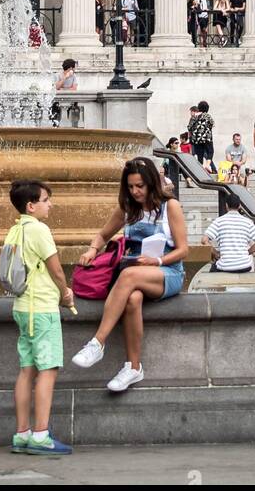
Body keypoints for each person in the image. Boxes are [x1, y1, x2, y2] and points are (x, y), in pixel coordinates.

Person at [71, 157, 189, 391]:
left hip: (168, 272)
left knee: (128, 276)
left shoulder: (170, 206)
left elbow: (184, 249)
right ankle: (133, 368)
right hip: (137, 273)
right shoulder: (127, 208)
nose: (135, 191)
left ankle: (98, 342)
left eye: (140, 186)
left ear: (152, 184)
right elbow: (103, 235)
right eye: (130, 186)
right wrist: (93, 249)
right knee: (133, 299)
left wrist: (157, 260)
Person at [2, 179, 75, 455]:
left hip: (22, 307)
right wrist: (65, 292)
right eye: (45, 200)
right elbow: (55, 269)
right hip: (42, 309)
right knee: (48, 369)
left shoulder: (14, 230)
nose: (50, 204)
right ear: (31, 206)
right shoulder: (39, 229)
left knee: (26, 370)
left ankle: (21, 434)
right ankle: (41, 435)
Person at [205, 192, 255, 274]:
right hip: (244, 265)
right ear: (239, 206)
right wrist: (247, 252)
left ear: (226, 205)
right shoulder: (248, 222)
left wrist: (216, 253)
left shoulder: (219, 221)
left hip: (225, 266)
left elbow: (204, 240)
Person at [187, 101, 215, 166]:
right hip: (207, 138)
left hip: (197, 139)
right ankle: (207, 165)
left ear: (199, 108)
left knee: (200, 156)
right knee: (210, 152)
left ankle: (200, 170)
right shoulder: (207, 116)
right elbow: (212, 124)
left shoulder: (194, 116)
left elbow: (189, 127)